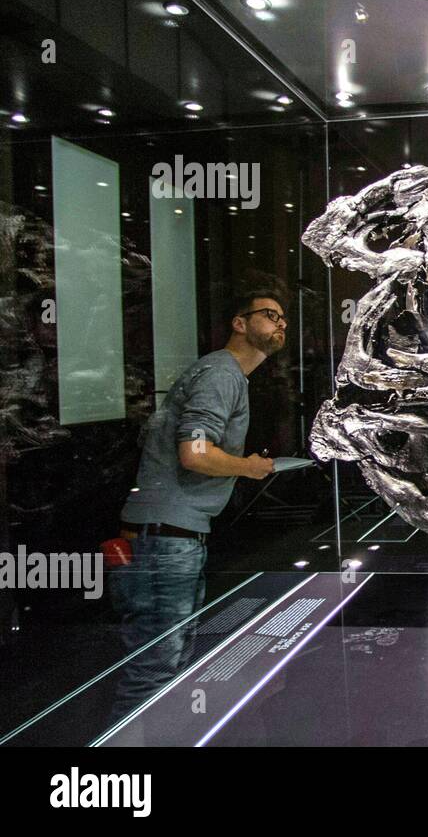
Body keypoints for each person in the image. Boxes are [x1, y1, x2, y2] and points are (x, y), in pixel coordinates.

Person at [107, 288, 286, 721]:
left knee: (166, 665)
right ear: (239, 323)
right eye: (268, 314)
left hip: (169, 537)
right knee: (155, 670)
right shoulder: (221, 374)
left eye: (283, 317)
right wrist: (248, 467)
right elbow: (196, 453)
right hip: (164, 540)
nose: (280, 323)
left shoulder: (225, 376)